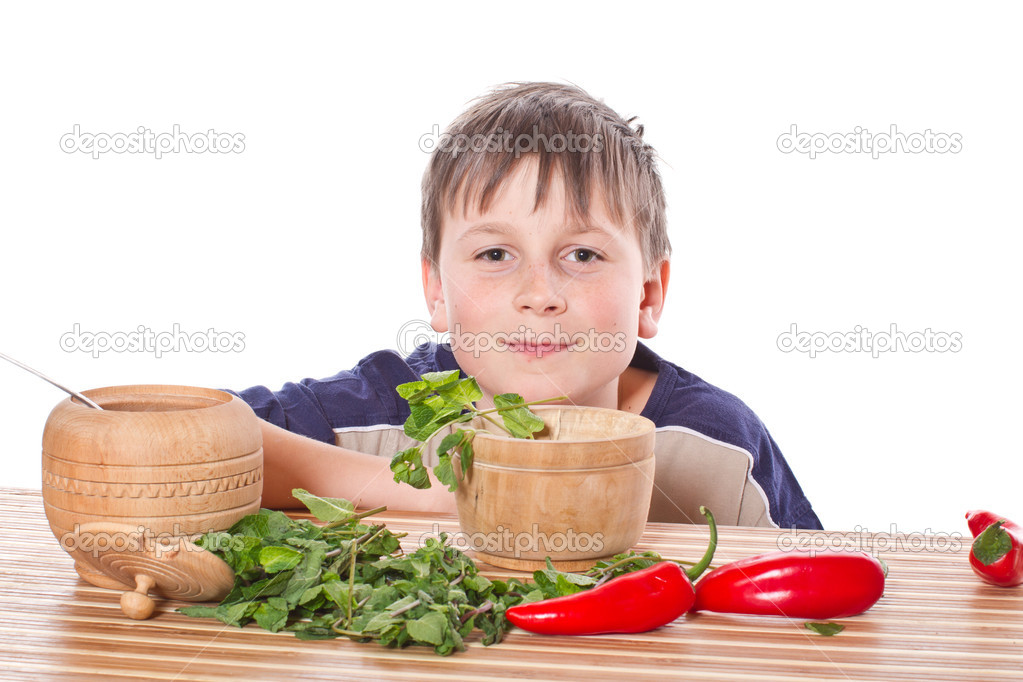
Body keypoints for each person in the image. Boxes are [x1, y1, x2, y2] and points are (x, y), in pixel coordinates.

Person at [232, 82, 823, 530]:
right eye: (494, 254)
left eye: (583, 255)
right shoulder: (384, 407)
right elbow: (167, 434)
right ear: (437, 291)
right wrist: (419, 492)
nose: (539, 295)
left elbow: (826, 608)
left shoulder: (720, 444)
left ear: (648, 294)